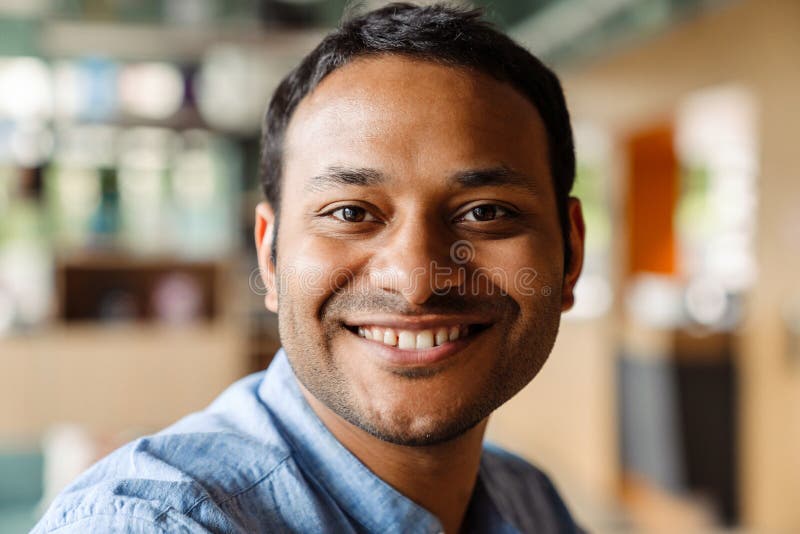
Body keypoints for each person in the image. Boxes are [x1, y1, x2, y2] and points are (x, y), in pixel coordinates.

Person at [33, 3, 586, 533]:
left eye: (485, 213)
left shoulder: (528, 499)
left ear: (571, 254)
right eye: (350, 213)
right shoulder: (156, 521)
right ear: (270, 257)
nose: (416, 281)